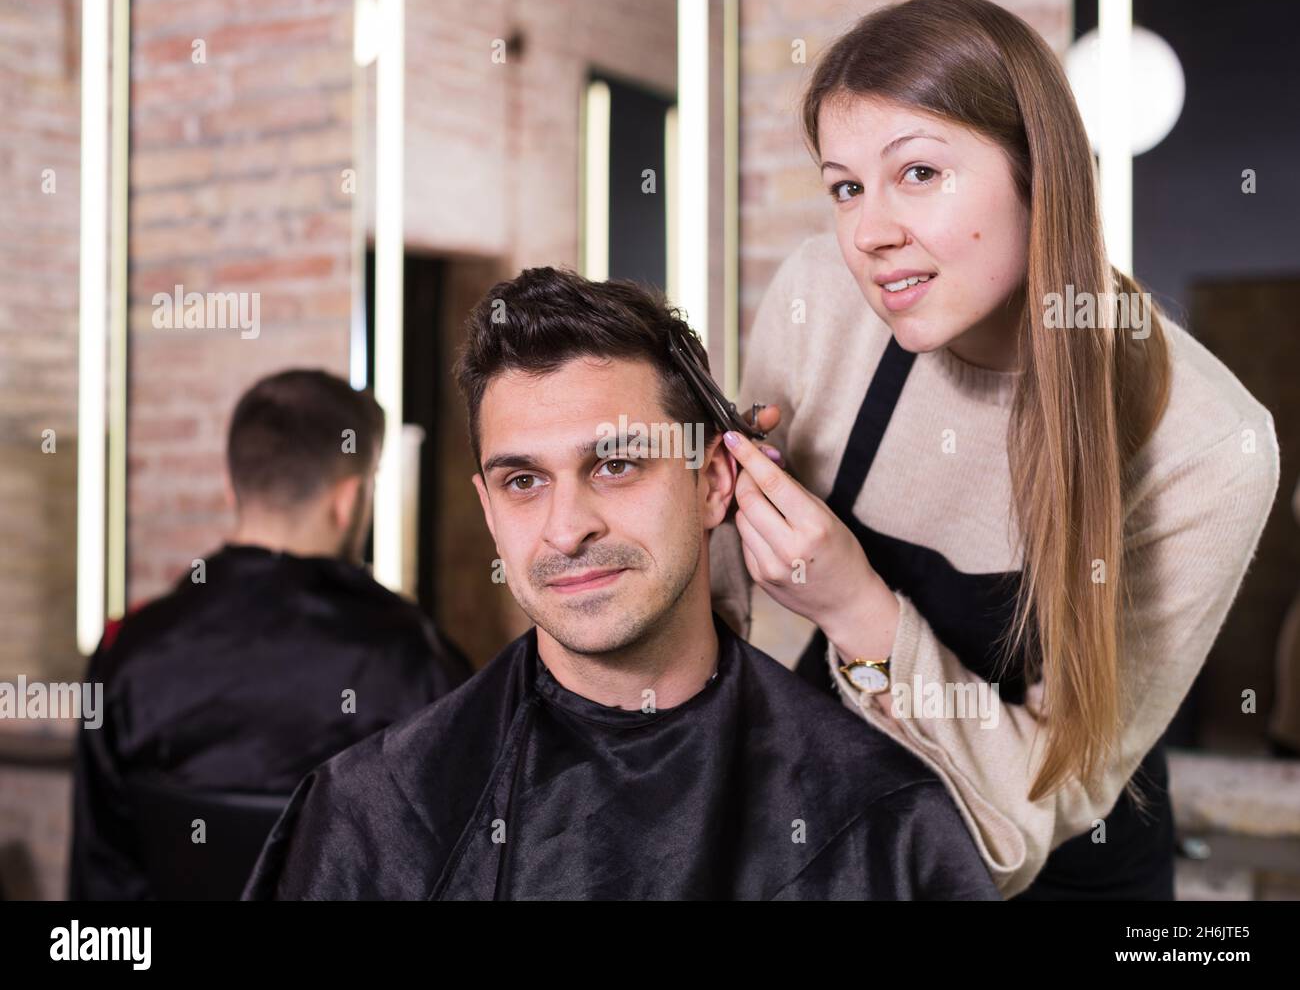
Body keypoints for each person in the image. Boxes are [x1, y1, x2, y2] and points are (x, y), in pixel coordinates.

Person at [708, 0, 1280, 899]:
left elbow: (1036, 805)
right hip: (844, 820)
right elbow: (719, 609)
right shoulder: (821, 294)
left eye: (920, 173)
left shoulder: (1208, 446)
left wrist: (858, 611)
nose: (869, 233)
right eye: (846, 185)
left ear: (1038, 170)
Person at [242, 268, 999, 901]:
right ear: (488, 509)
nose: (567, 528)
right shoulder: (376, 812)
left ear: (712, 485)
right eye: (524, 481)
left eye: (615, 465)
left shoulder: (879, 823)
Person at [69, 369, 472, 900]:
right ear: (349, 498)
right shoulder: (415, 658)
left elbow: (99, 879)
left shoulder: (129, 649)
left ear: (236, 480)